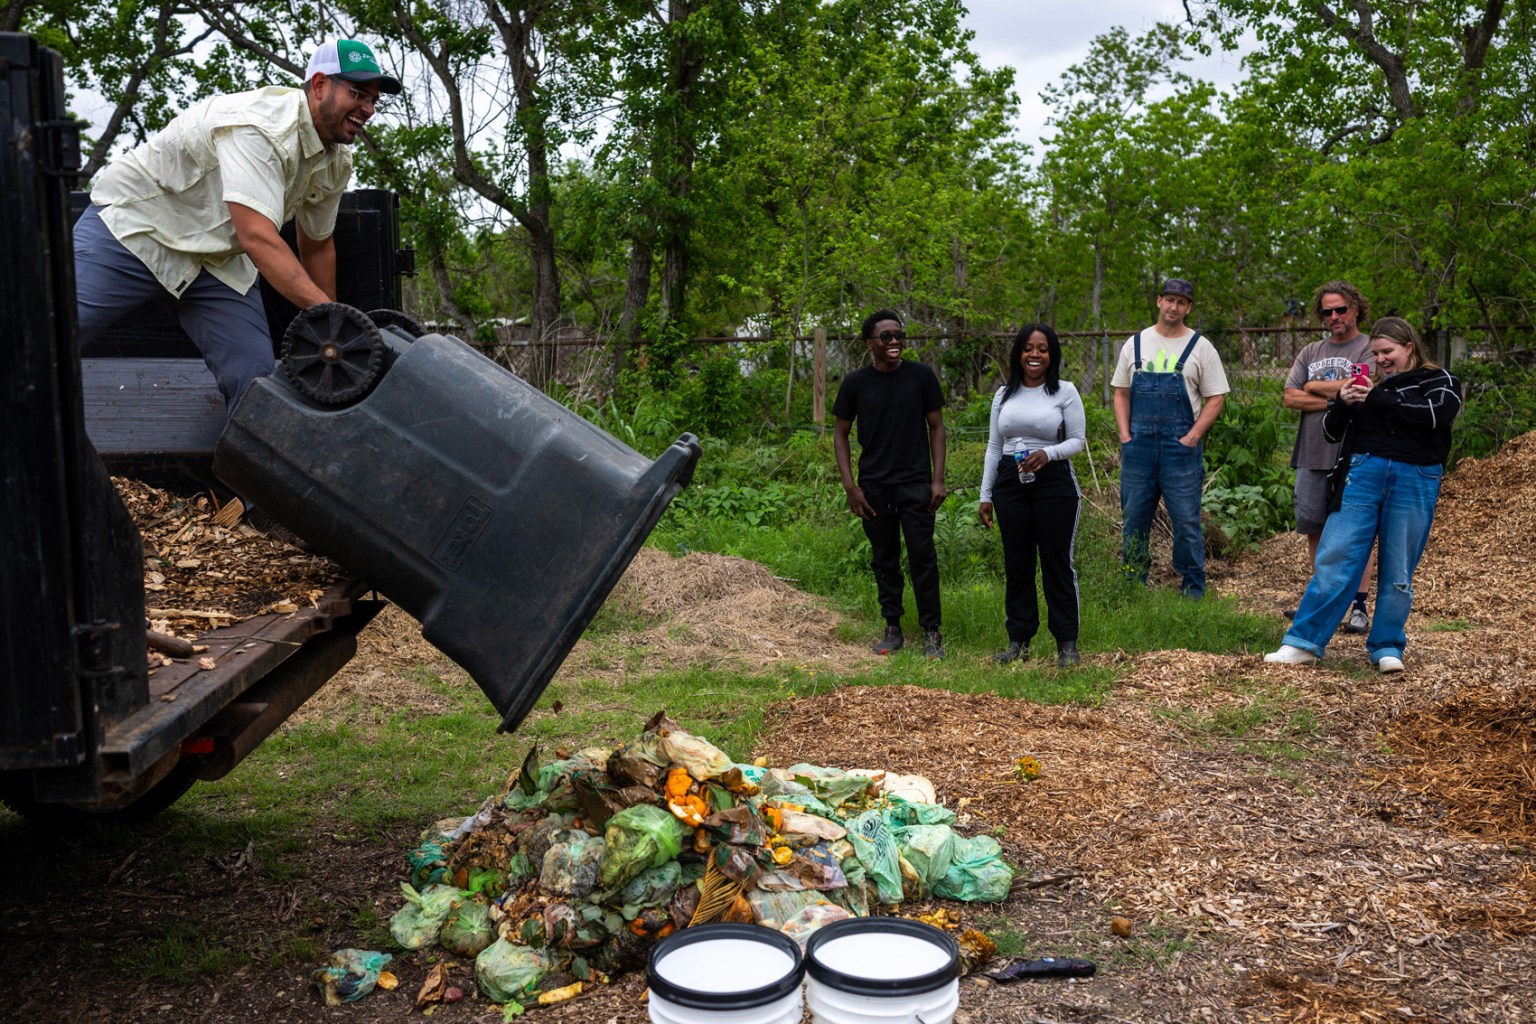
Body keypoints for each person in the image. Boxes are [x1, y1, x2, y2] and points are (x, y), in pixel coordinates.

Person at [73, 38, 403, 412]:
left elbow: (317, 244)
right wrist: (332, 313)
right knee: (42, 337)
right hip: (137, 229)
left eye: (374, 99)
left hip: (217, 259)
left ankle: (245, 468)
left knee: (256, 386)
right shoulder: (260, 127)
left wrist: (330, 329)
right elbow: (258, 237)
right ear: (320, 85)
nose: (368, 109)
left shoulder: (337, 161)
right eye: (358, 93)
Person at [1265, 317, 1461, 673]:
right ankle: (1304, 642)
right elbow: (1330, 433)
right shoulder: (1365, 387)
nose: (1381, 360)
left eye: (1388, 352)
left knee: (1398, 567)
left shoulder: (1439, 380)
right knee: (1336, 556)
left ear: (1409, 347)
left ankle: (1387, 646)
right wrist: (1341, 401)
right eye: (1376, 354)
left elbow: (1436, 416)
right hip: (1363, 473)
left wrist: (1379, 397)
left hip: (1415, 476)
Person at [833, 310, 948, 658]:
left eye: (899, 335)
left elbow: (937, 427)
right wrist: (850, 487)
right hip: (874, 488)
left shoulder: (921, 377)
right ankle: (892, 628)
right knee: (884, 559)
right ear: (870, 344)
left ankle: (931, 632)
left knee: (922, 557)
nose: (895, 341)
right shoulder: (856, 383)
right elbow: (840, 434)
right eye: (886, 337)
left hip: (915, 484)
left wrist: (938, 479)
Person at [1112, 278, 1230, 598]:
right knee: (1134, 519)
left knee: (1187, 522)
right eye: (1169, 300)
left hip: (1180, 448)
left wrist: (1192, 436)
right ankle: (1133, 586)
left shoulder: (1200, 347)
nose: (1174, 307)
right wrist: (1125, 436)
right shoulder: (1135, 344)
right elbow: (1121, 393)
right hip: (1138, 447)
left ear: (1188, 307)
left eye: (1182, 302)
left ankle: (1192, 588)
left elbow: (1216, 397)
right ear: (1159, 301)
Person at [978, 323, 1087, 668]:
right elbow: (995, 446)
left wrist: (1050, 454)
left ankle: (1066, 645)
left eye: (1042, 348)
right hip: (1011, 480)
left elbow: (1077, 441)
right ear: (1018, 354)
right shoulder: (1003, 395)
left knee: (1056, 563)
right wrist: (986, 494)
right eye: (1028, 348)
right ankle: (1018, 641)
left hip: (1053, 481)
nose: (1034, 355)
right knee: (1018, 564)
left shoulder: (1064, 392)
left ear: (1051, 354)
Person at [1283, 281, 1378, 632]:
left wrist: (1312, 385)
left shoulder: (1370, 347)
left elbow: (1365, 388)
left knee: (1358, 531)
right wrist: (1336, 399)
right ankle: (1323, 601)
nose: (1335, 316)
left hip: (1356, 453)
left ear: (1356, 308)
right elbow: (1291, 396)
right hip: (1312, 453)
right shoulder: (1310, 351)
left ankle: (1359, 605)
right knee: (1314, 527)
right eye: (1327, 311)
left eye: (1341, 309)